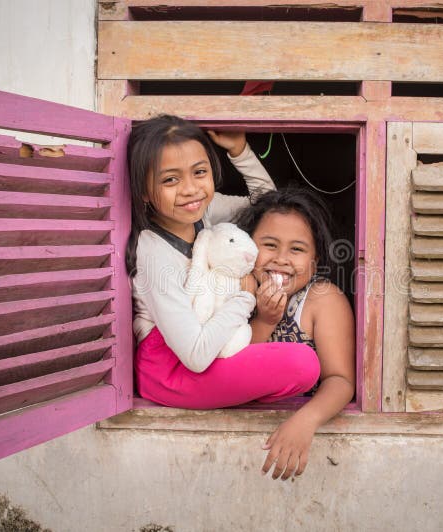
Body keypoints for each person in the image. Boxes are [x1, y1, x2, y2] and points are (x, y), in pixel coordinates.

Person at [127, 115, 320, 438]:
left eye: (199, 173)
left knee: (300, 364)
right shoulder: (153, 253)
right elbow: (195, 355)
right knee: (303, 364)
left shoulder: (203, 210)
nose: (190, 189)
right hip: (173, 372)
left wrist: (240, 151)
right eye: (170, 180)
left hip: (207, 348)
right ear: (144, 192)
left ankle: (227, 390)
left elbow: (267, 206)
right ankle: (223, 392)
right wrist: (244, 298)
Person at [236, 188, 356, 480]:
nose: (281, 259)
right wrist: (265, 320)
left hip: (300, 448)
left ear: (314, 261)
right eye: (270, 245)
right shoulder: (236, 292)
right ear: (248, 248)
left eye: (297, 249)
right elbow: (230, 368)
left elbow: (341, 381)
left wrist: (306, 421)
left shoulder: (322, 299)